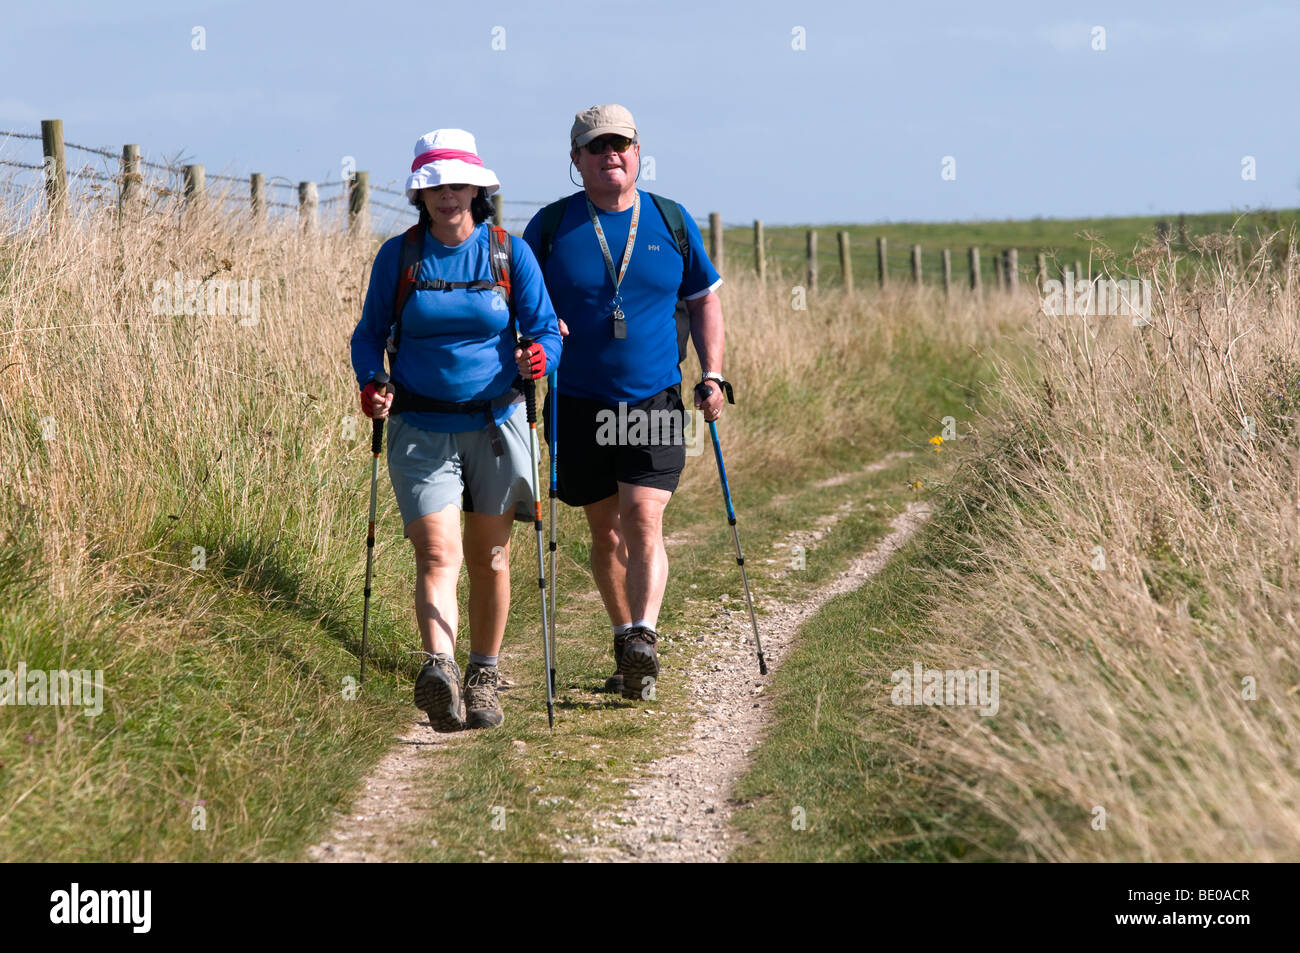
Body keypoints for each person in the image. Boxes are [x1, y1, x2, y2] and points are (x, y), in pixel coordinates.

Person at [352, 129, 561, 731]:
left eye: (457, 184)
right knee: (437, 552)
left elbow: (545, 329)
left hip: (496, 423)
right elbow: (368, 334)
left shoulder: (508, 253)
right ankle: (439, 670)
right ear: (422, 192)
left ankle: (484, 674)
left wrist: (540, 359)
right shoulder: (400, 256)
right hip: (420, 426)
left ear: (477, 187)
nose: (448, 196)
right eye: (435, 185)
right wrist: (373, 381)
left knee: (491, 557)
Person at [523, 104, 726, 701]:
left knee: (644, 519)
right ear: (576, 159)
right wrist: (539, 326)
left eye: (623, 144)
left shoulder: (671, 220)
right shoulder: (551, 227)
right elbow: (518, 299)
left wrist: (712, 374)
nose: (612, 154)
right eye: (598, 146)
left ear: (639, 153)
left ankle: (644, 635)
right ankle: (623, 642)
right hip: (577, 401)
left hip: (653, 398)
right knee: (605, 532)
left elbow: (705, 300)